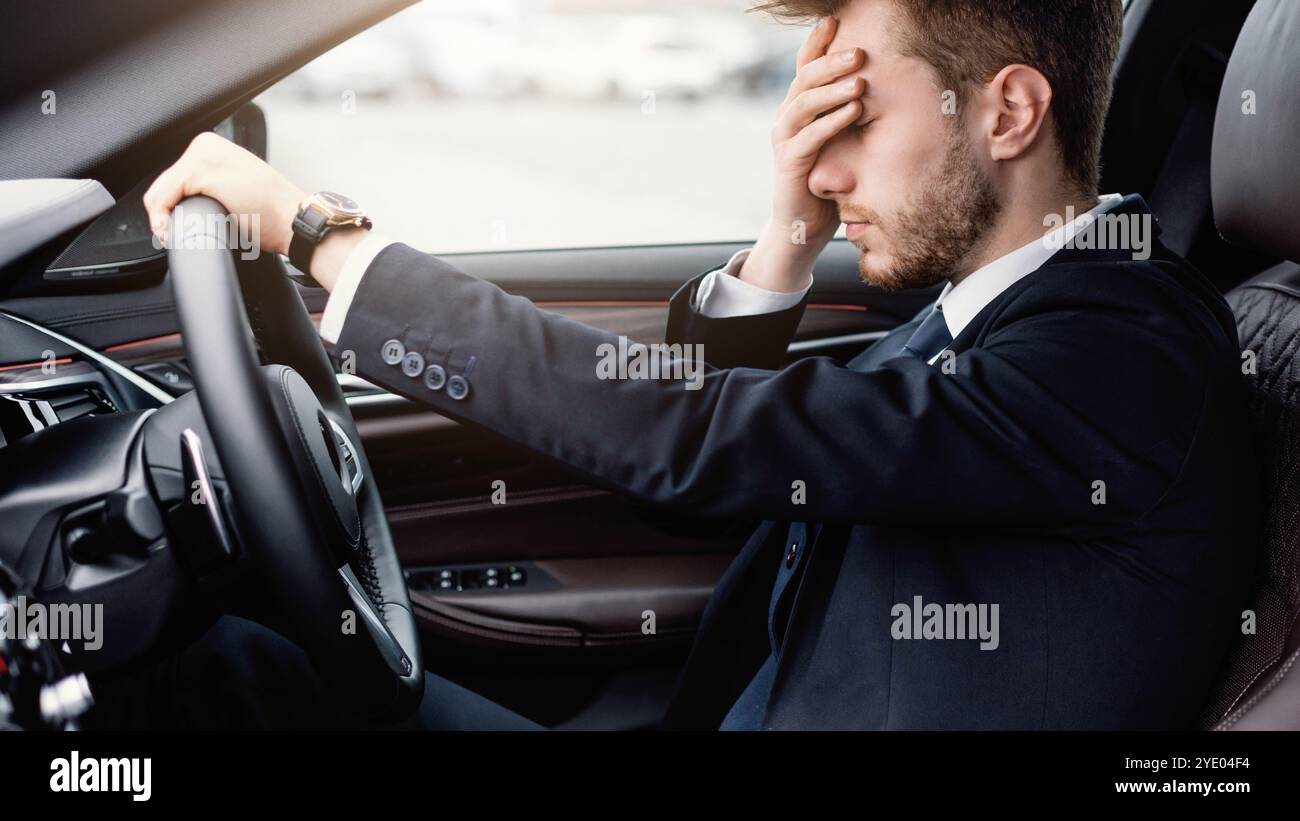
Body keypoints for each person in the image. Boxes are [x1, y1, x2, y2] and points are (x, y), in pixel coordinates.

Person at [140, 0, 1257, 730]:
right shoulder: (979, 317)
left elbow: (692, 435)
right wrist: (783, 242)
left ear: (1006, 111)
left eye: (851, 118)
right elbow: (711, 473)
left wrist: (322, 235)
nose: (818, 168)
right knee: (235, 668)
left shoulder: (1123, 349)